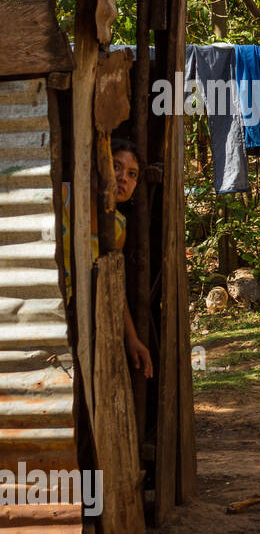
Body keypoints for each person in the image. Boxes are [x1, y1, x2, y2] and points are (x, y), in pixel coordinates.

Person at [111, 139, 153, 380]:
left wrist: (132, 338)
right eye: (115, 166)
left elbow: (114, 286)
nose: (122, 178)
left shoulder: (118, 226)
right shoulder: (65, 198)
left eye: (132, 174)